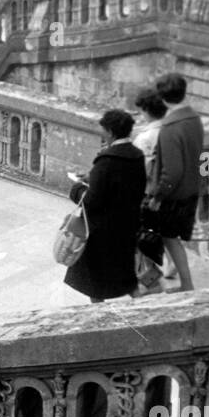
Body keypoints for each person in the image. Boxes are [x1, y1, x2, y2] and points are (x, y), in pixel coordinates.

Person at [64, 110, 147, 303]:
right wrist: (93, 177)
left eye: (104, 131)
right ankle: (141, 307)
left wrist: (76, 189)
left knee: (95, 282)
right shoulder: (137, 156)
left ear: (110, 131)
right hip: (127, 226)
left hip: (102, 230)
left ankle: (98, 320)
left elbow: (92, 201)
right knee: (126, 276)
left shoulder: (107, 160)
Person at [145, 73, 205, 292]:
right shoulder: (194, 118)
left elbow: (171, 172)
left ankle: (187, 283)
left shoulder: (170, 128)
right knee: (173, 236)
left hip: (175, 194)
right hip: (192, 188)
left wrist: (157, 196)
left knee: (170, 237)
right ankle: (174, 271)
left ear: (162, 98)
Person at [132, 91, 168, 290]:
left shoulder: (145, 137)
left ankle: (152, 281)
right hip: (178, 192)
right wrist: (206, 180)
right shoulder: (179, 130)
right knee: (168, 233)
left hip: (151, 194)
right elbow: (206, 155)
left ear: (146, 111)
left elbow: (141, 172)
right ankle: (173, 270)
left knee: (146, 239)